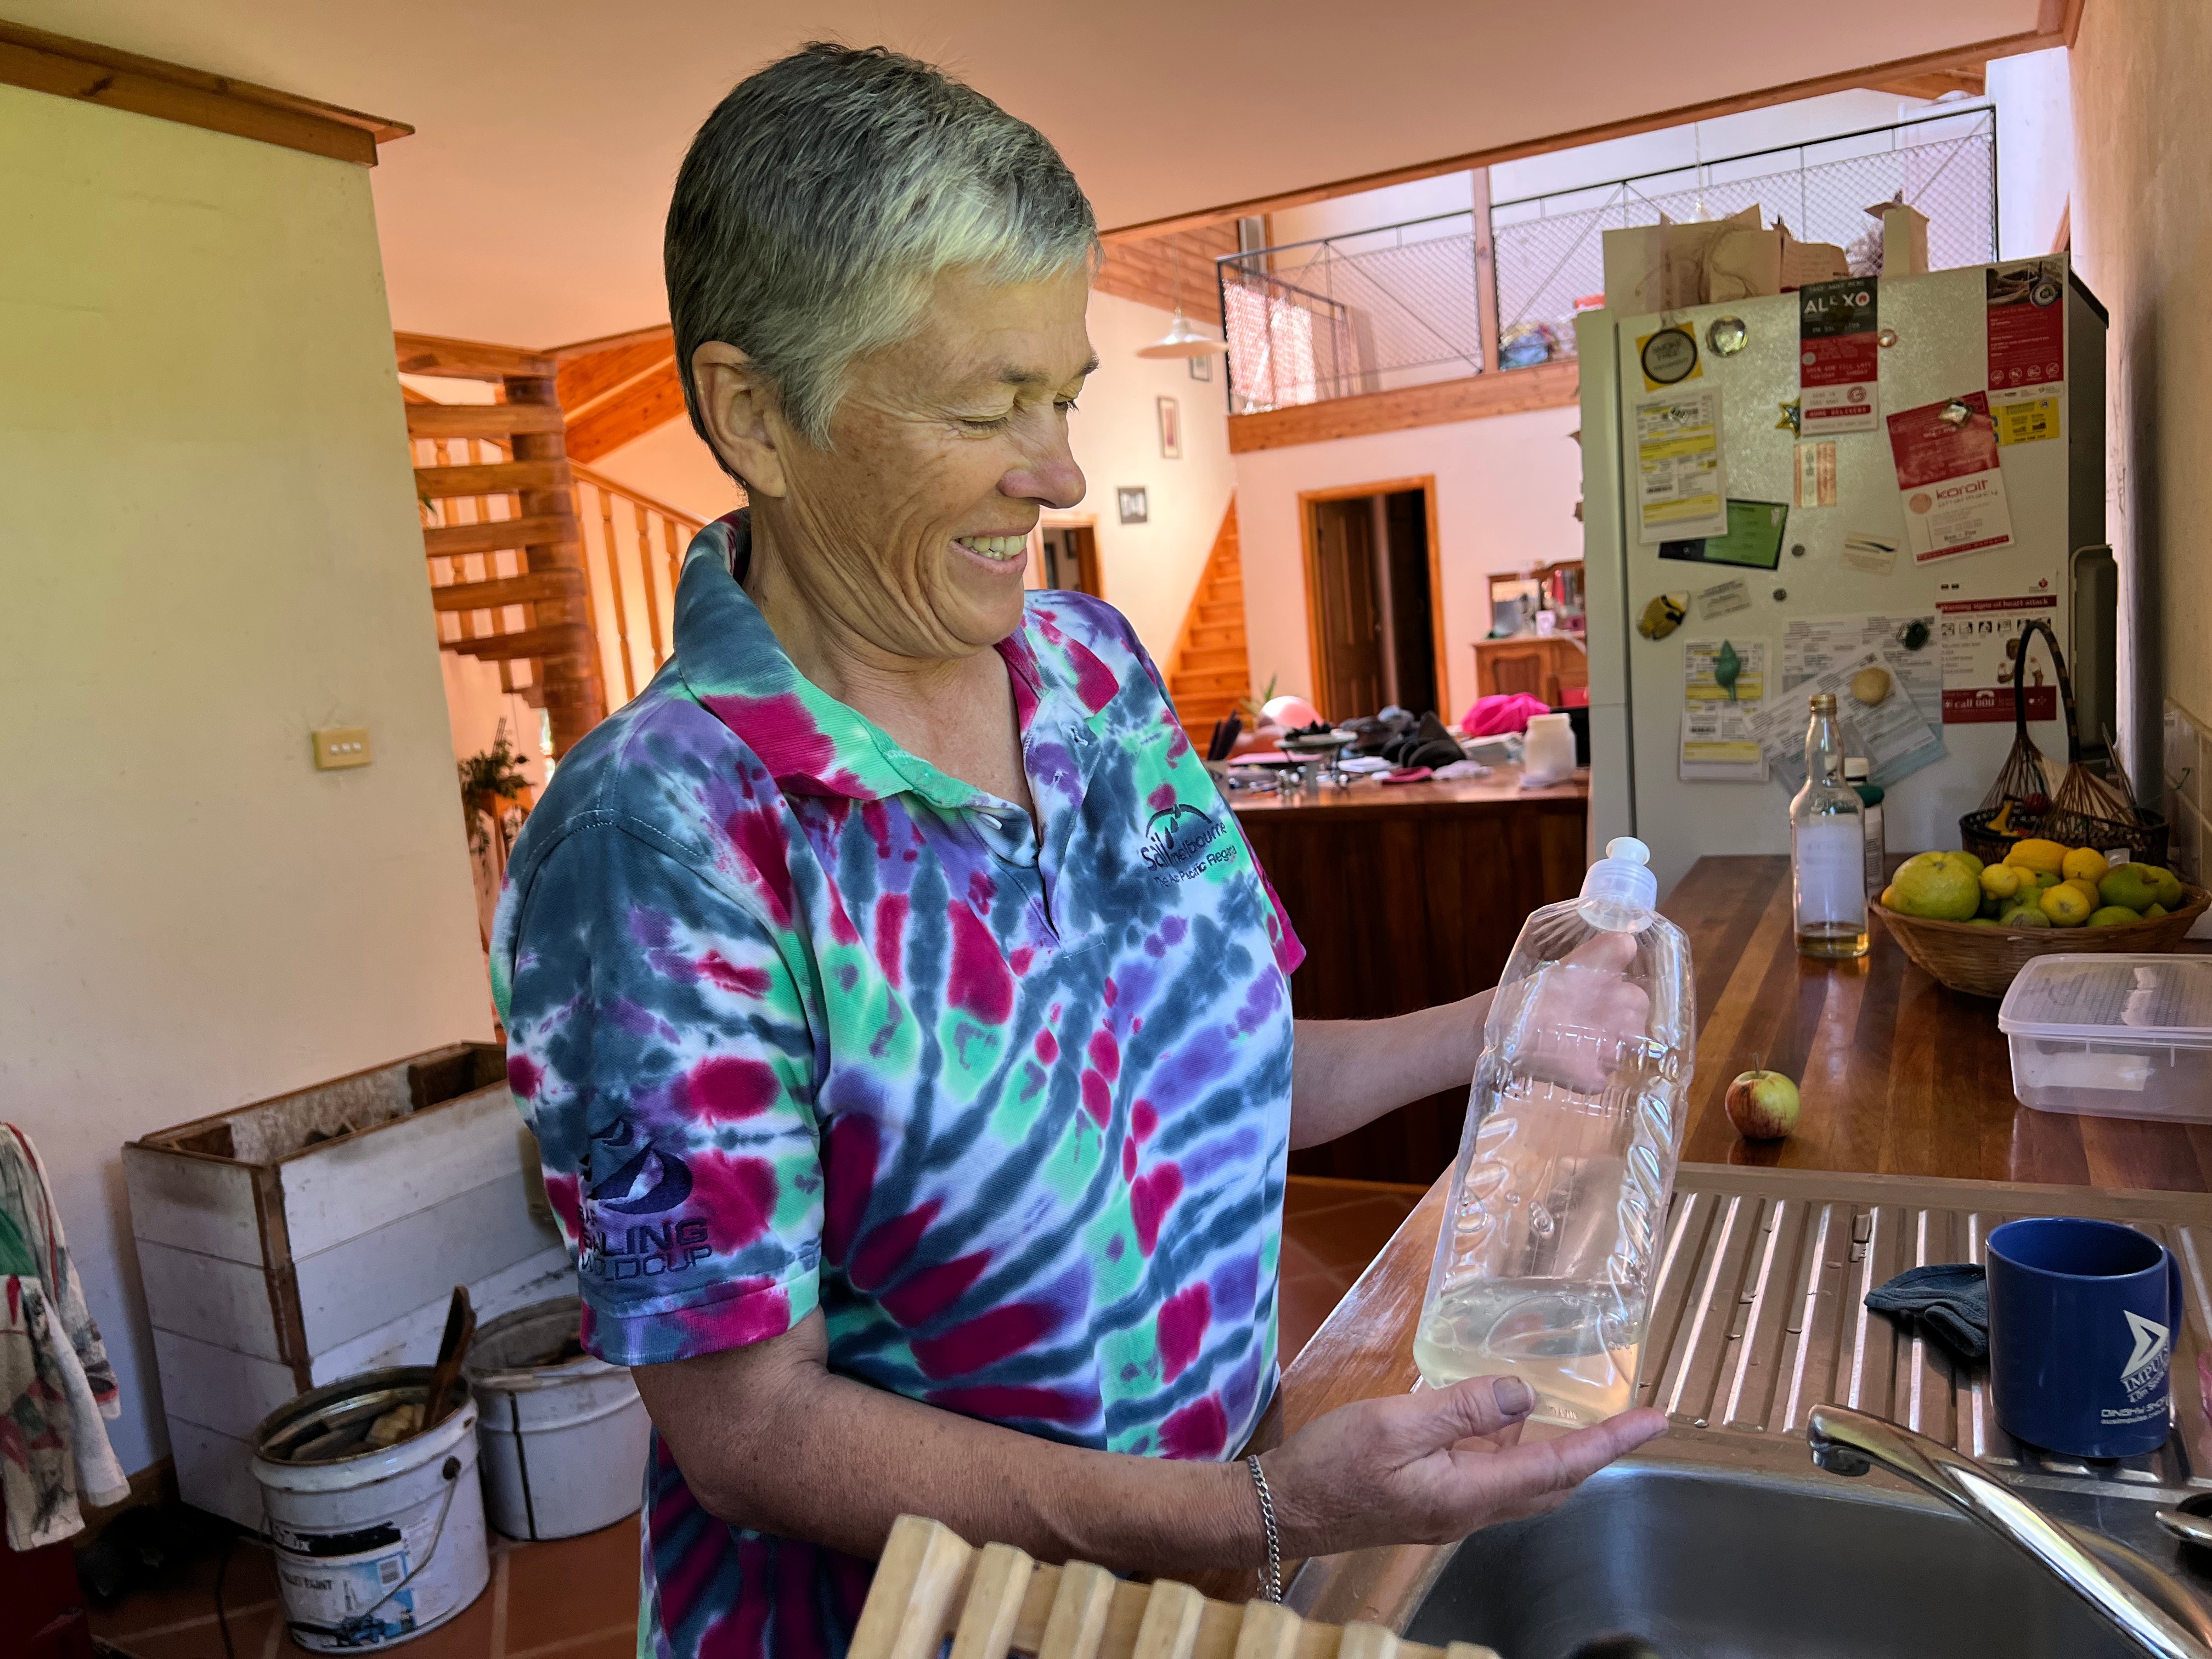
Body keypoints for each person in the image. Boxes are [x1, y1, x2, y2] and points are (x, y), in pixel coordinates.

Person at [492, 43, 1666, 1659]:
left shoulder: (1096, 678)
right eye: (989, 408)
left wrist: (1503, 1033)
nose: (1055, 474)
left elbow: (1216, 1069)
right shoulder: (665, 843)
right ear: (755, 414)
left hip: (1195, 1592)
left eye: (1063, 395)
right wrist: (1257, 1517)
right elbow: (750, 1437)